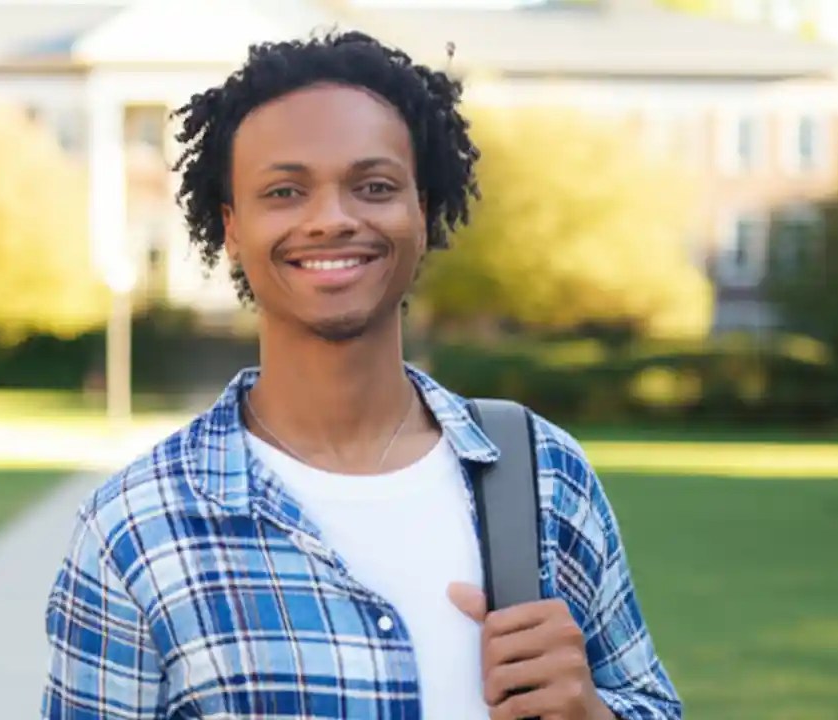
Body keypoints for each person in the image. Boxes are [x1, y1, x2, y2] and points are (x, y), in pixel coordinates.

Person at [41, 30, 681, 720]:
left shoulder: (544, 475)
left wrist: (592, 712)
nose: (332, 219)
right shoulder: (136, 530)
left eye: (373, 186)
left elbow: (650, 702)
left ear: (423, 210)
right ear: (231, 227)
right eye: (284, 191)